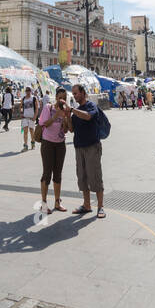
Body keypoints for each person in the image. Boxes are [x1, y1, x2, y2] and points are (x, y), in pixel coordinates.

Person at [68, 84, 106, 218]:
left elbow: (88, 116)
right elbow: (71, 129)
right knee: (82, 177)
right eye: (73, 94)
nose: (74, 96)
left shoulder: (91, 106)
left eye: (76, 93)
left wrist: (72, 109)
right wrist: (66, 115)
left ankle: (100, 207)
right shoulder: (76, 110)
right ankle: (87, 204)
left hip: (92, 147)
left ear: (83, 93)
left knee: (95, 176)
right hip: (79, 147)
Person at [37, 89, 71, 212]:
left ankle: (57, 202)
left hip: (60, 144)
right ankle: (44, 203)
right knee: (47, 173)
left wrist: (67, 117)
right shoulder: (48, 107)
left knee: (58, 173)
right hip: (48, 143)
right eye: (60, 97)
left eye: (64, 97)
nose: (62, 100)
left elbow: (67, 130)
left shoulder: (65, 111)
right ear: (56, 97)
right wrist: (56, 115)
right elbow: (43, 124)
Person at [19, 86, 39, 150]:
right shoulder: (23, 99)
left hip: (31, 118)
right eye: (26, 90)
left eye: (29, 90)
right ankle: (25, 145)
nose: (28, 92)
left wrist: (35, 117)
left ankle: (33, 143)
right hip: (25, 117)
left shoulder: (34, 98)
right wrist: (21, 113)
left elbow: (36, 108)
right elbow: (21, 107)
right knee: (25, 132)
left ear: (31, 91)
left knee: (31, 131)